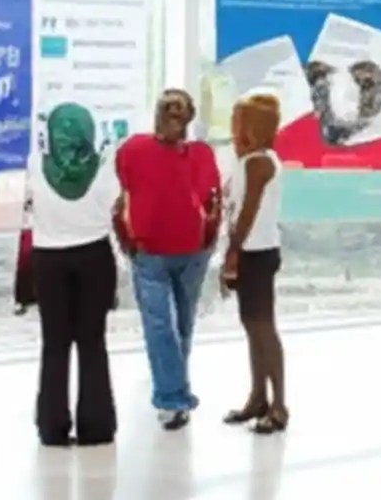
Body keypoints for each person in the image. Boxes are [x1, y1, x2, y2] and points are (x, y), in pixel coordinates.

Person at [116, 89, 221, 431]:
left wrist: (211, 236)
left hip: (192, 251)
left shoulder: (201, 154)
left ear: (189, 117)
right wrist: (124, 236)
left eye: (180, 110)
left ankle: (172, 384)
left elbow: (212, 199)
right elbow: (122, 195)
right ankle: (173, 396)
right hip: (149, 251)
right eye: (167, 108)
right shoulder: (133, 150)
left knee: (183, 324)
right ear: (157, 113)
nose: (173, 114)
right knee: (159, 324)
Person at [28, 102, 120, 447]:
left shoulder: (36, 164)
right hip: (94, 256)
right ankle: (96, 425)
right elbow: (116, 206)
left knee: (54, 344)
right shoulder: (105, 166)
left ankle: (52, 426)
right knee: (92, 341)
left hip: (47, 259)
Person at [221, 94, 288, 434]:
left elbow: (247, 213)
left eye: (238, 122)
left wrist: (232, 252)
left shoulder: (258, 162)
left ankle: (278, 405)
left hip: (255, 253)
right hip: (252, 251)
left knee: (263, 328)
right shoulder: (250, 160)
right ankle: (257, 397)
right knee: (252, 327)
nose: (233, 129)